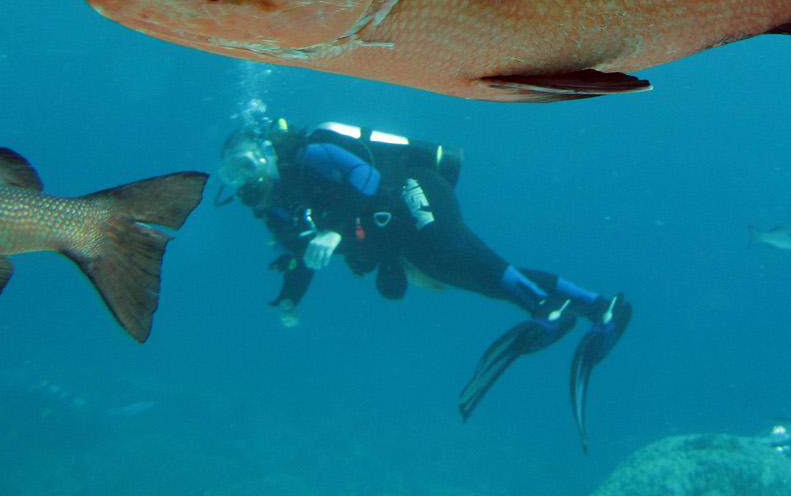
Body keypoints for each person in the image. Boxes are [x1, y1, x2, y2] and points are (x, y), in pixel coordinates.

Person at [215, 116, 631, 451]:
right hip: (394, 231)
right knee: (463, 274)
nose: (243, 179)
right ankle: (599, 307)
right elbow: (304, 255)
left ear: (267, 153)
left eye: (246, 164)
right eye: (231, 174)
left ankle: (545, 309)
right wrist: (289, 299)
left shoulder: (311, 154)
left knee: (452, 247)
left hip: (411, 186)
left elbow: (367, 179)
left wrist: (336, 231)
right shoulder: (280, 211)